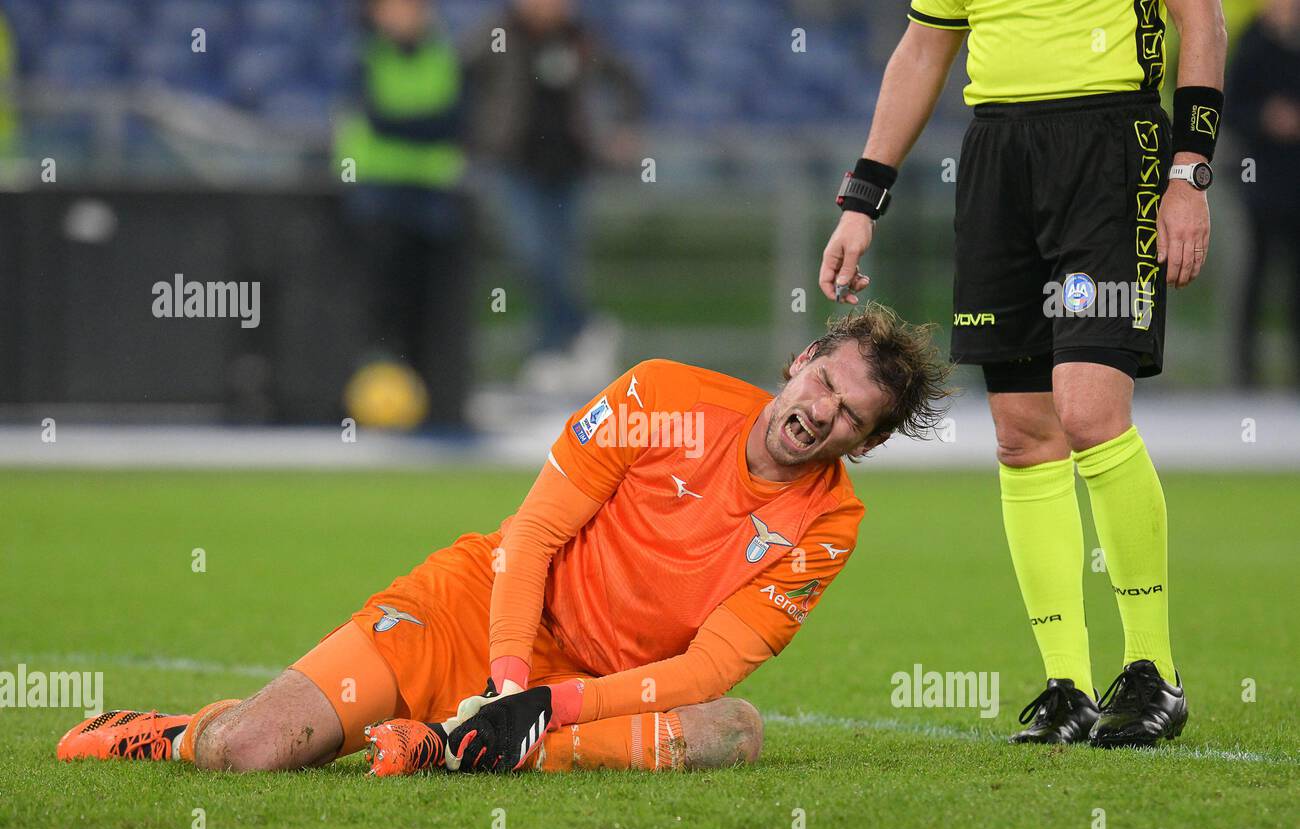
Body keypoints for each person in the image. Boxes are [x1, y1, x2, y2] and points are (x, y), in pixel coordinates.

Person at [57, 304, 951, 775]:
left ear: (863, 445)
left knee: (733, 730)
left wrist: (549, 708)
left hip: (595, 690)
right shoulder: (662, 394)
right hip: (478, 609)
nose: (818, 413)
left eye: (848, 415)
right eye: (824, 382)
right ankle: (170, 736)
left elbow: (709, 672)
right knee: (250, 751)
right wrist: (510, 681)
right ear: (800, 361)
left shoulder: (829, 525)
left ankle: (442, 746)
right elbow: (531, 535)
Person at [820, 1, 1228, 746]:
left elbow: (1201, 18)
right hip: (998, 159)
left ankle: (1152, 671)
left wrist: (1189, 173)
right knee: (1020, 435)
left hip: (1112, 147)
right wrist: (862, 199)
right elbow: (922, 49)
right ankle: (1067, 685)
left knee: (1088, 409)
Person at [462, 0, 643, 394]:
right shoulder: (496, 36)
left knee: (561, 263)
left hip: (569, 169)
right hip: (516, 165)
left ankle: (550, 352)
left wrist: (623, 128)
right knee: (531, 255)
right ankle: (581, 330)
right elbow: (458, 80)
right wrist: (474, 138)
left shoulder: (580, 38)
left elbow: (625, 78)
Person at [336, 0, 473, 428]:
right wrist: (425, 127)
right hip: (378, 193)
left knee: (431, 305)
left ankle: (433, 404)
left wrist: (412, 125)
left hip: (432, 194)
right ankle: (367, 397)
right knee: (380, 302)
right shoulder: (362, 56)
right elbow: (381, 120)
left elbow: (453, 121)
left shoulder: (444, 54)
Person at [1227, 0, 1300, 389]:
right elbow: (1233, 108)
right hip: (1261, 183)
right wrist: (1265, 118)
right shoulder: (1251, 44)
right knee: (1256, 276)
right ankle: (1246, 374)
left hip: (1295, 182)